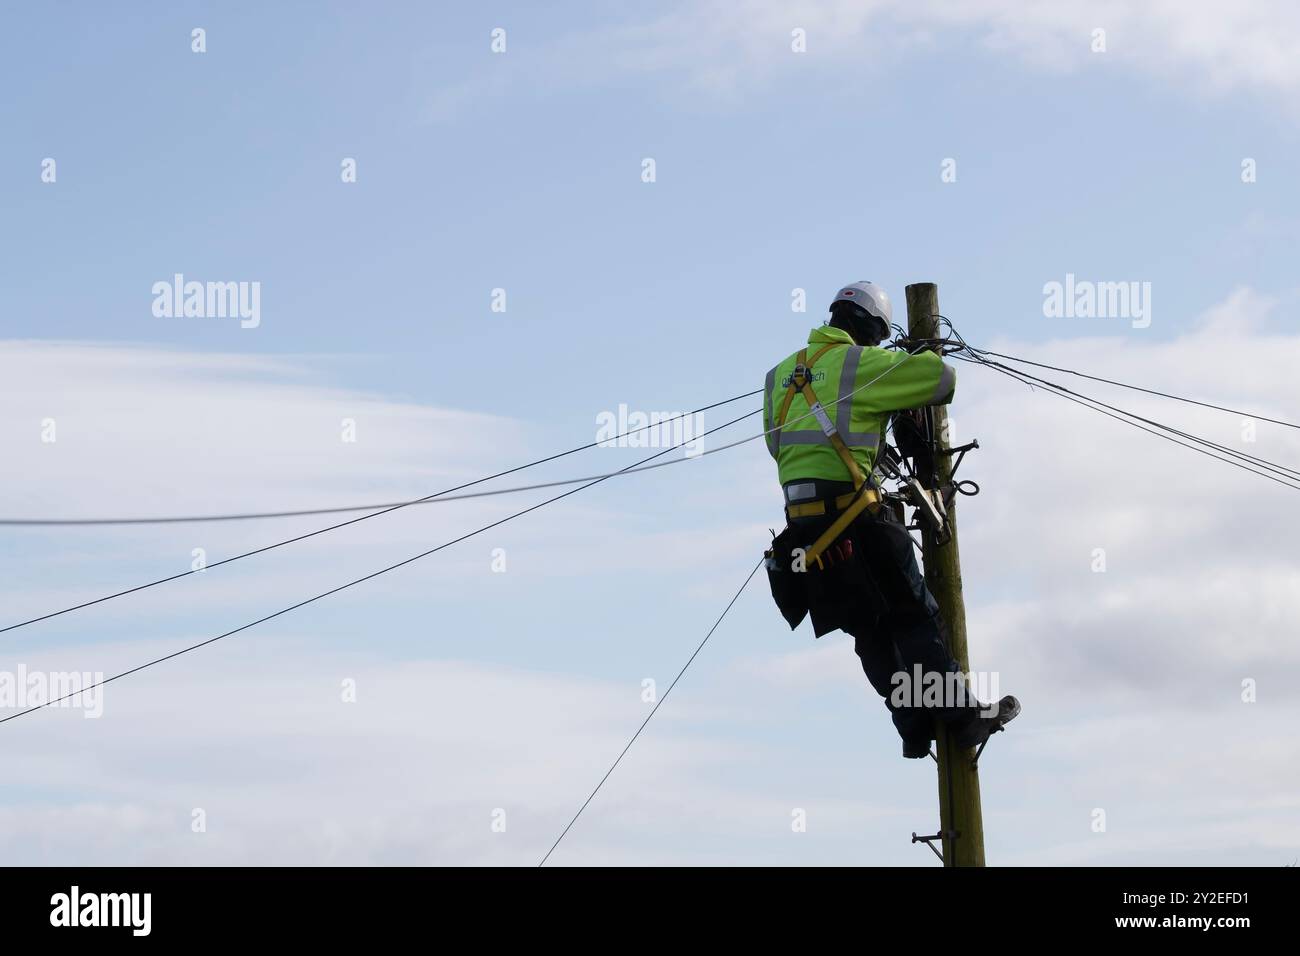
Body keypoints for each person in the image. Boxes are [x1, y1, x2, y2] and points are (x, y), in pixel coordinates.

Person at [763, 281, 1018, 758]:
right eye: (879, 338)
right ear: (869, 328)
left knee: (870, 630)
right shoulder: (859, 364)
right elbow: (942, 380)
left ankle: (914, 725)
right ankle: (962, 718)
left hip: (805, 535)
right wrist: (918, 352)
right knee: (915, 616)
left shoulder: (777, 376)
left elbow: (777, 445)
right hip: (857, 519)